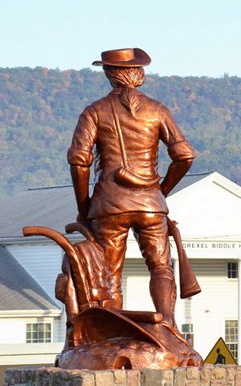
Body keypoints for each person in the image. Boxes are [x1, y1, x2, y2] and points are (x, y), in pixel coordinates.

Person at [67, 48, 195, 331]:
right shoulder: (157, 110)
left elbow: (79, 161)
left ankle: (112, 333)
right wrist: (160, 191)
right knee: (161, 267)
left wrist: (84, 208)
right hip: (150, 205)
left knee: (109, 275)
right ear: (139, 74)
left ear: (109, 74)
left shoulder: (94, 111)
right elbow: (184, 156)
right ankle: (168, 324)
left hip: (109, 205)